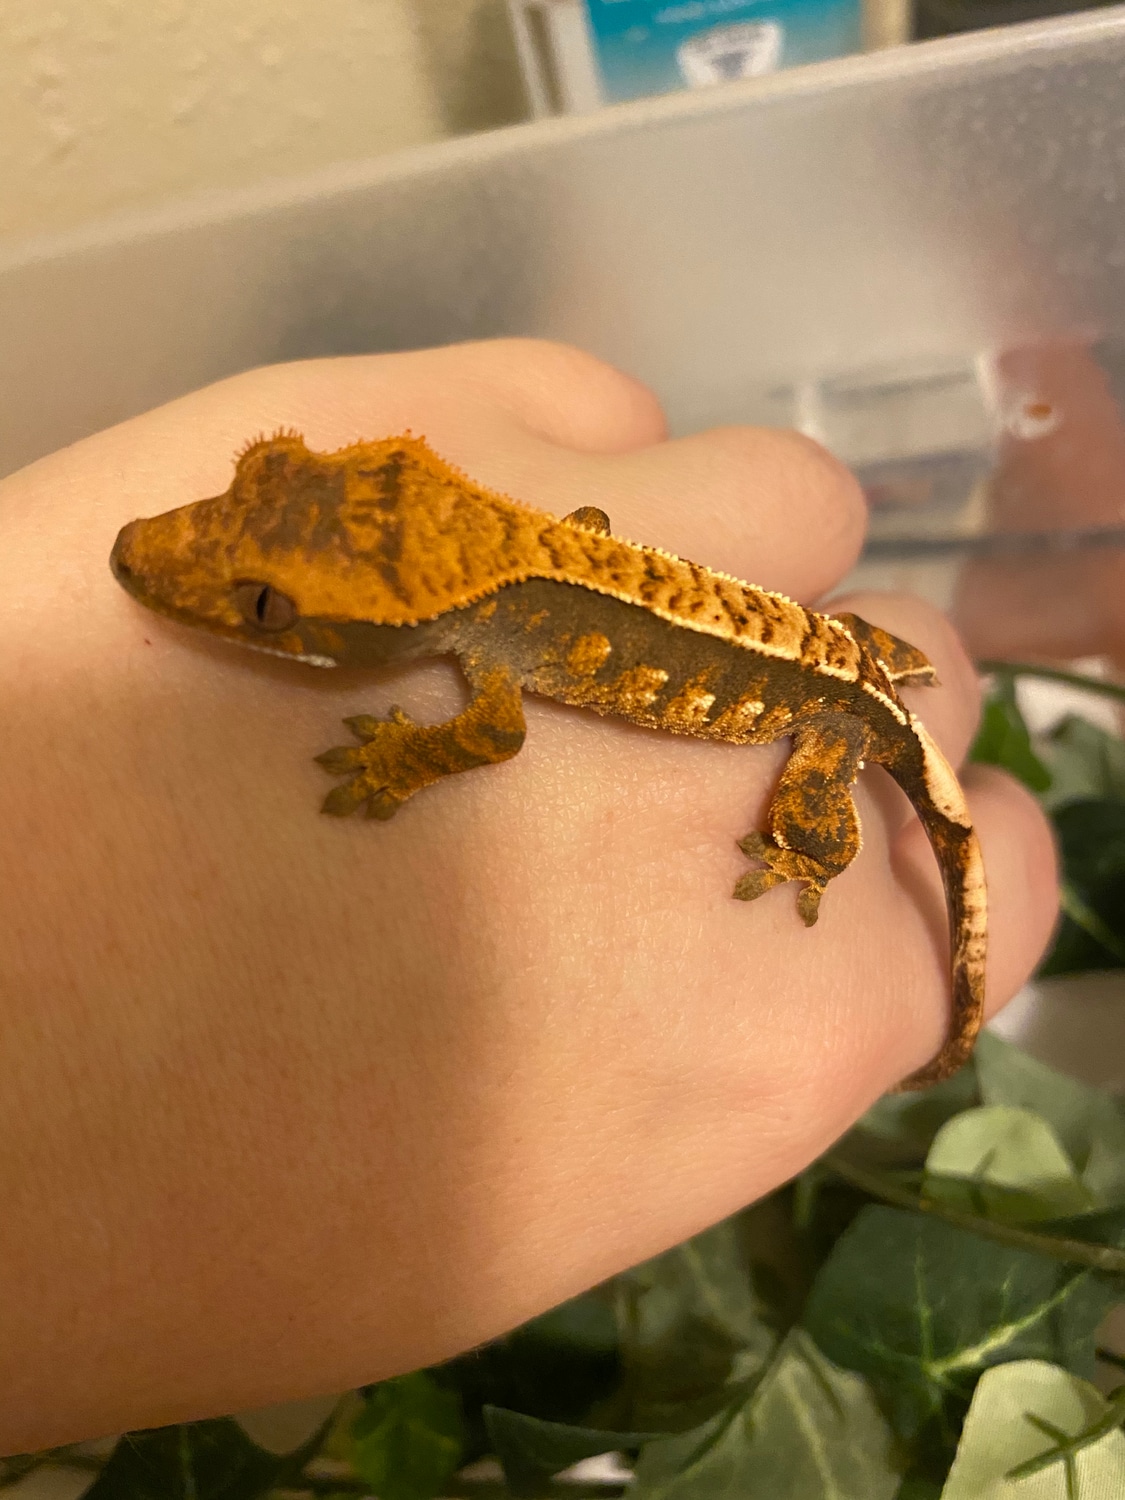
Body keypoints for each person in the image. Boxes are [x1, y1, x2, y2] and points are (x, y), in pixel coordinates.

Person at [0, 339, 1056, 1453]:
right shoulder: (525, 579)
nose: (156, 552)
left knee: (805, 816)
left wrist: (402, 762)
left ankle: (817, 848)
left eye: (264, 607)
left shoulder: (504, 637)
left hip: (832, 707)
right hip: (831, 645)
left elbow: (495, 731)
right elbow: (553, 596)